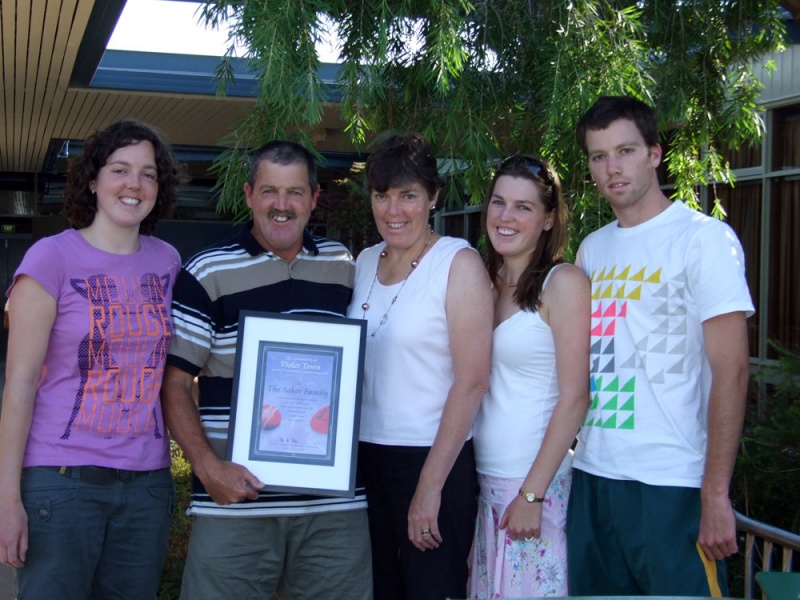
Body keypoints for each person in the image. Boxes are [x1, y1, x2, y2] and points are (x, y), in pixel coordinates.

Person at [161, 140, 372, 600]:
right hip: (236, 503)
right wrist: (207, 467)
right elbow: (174, 385)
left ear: (314, 199)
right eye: (270, 191)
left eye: (295, 192)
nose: (282, 205)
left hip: (332, 508)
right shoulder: (207, 272)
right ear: (249, 194)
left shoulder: (343, 267)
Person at [567, 95, 754, 597]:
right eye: (599, 156)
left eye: (625, 151)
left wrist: (715, 493)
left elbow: (732, 371)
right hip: (592, 475)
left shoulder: (703, 239)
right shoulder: (593, 248)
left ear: (654, 153)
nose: (613, 168)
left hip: (670, 483)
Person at [0, 119, 181, 598]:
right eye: (120, 169)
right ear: (94, 180)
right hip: (61, 487)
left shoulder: (168, 263)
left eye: (148, 174)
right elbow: (18, 383)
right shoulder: (50, 258)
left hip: (146, 487)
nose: (133, 184)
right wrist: (6, 499)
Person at [346, 132, 493, 600]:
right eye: (382, 195)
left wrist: (430, 488)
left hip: (433, 460)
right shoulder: (366, 261)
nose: (393, 210)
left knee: (430, 588)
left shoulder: (457, 263)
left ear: (432, 197)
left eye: (408, 195)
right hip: (365, 460)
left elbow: (472, 382)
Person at [469, 156, 590, 598]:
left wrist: (532, 495)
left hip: (535, 488)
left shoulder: (564, 282)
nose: (506, 216)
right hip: (484, 487)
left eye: (523, 207)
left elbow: (576, 397)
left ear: (548, 219)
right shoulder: (482, 280)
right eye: (499, 202)